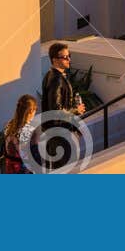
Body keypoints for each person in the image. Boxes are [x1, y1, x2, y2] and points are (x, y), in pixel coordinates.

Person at [39, 42, 86, 170]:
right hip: (58, 134)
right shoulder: (56, 79)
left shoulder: (53, 76)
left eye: (69, 55)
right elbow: (56, 111)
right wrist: (76, 110)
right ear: (55, 60)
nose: (69, 59)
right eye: (65, 57)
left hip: (56, 132)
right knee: (63, 169)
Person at [3, 94, 38, 173]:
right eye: (36, 109)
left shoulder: (8, 125)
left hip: (10, 169)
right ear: (31, 111)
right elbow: (36, 156)